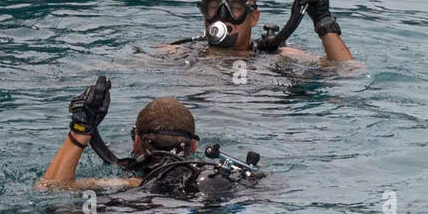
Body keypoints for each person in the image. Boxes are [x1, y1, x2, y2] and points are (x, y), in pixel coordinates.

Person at [36, 76, 263, 200]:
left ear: (136, 141)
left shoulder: (132, 184)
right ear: (194, 145)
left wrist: (81, 129)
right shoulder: (220, 173)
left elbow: (49, 187)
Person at [186, 0, 354, 62]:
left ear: (253, 18)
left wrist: (323, 21)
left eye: (235, 7)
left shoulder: (278, 58)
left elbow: (348, 72)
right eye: (213, 6)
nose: (222, 16)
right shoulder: (183, 55)